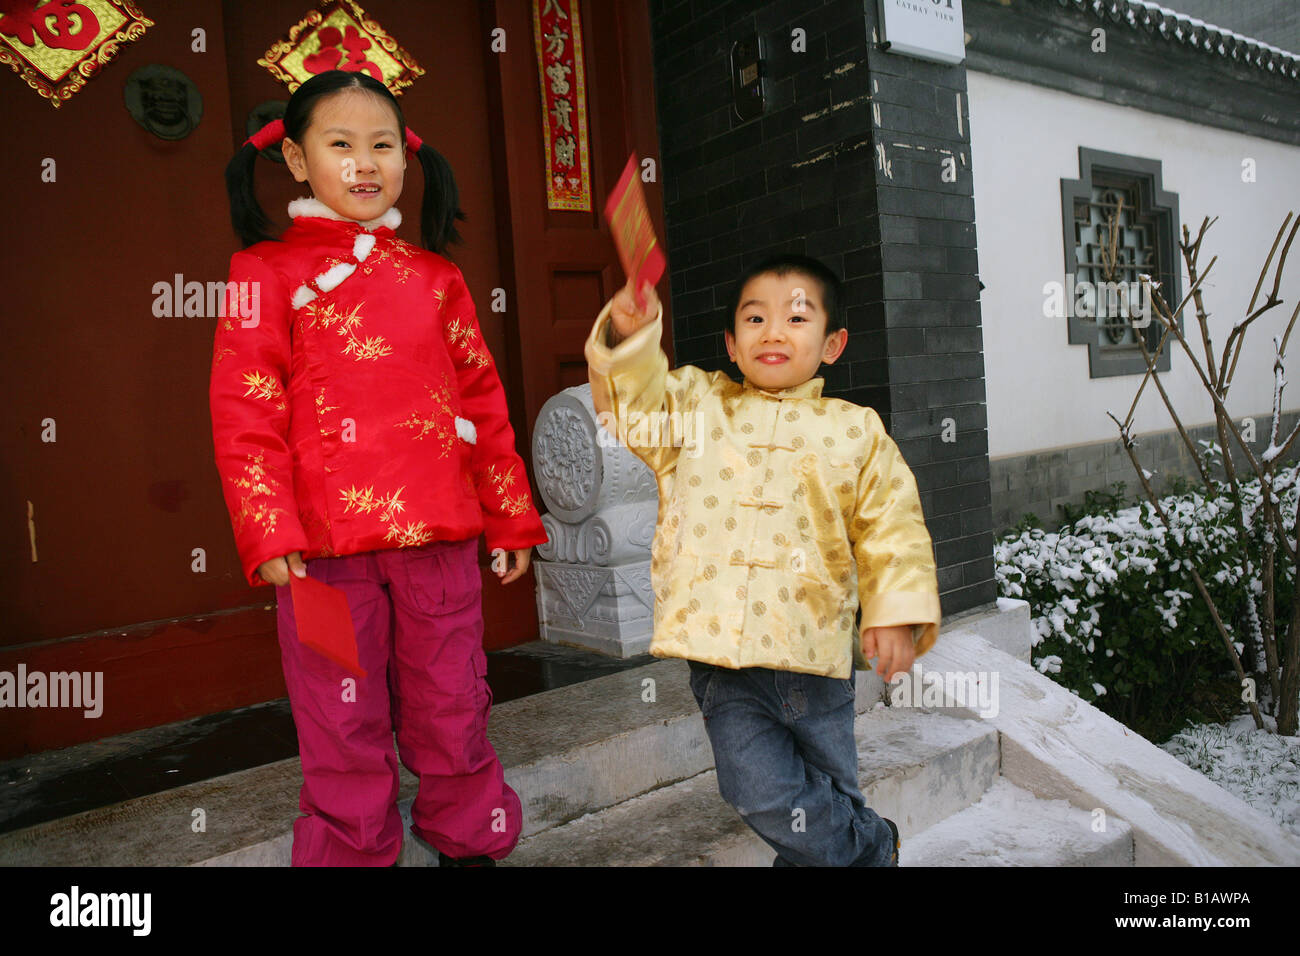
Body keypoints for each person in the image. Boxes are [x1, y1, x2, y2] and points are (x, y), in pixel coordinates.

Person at [211, 70, 548, 867]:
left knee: (452, 700)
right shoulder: (264, 273)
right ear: (295, 160)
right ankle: (352, 848)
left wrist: (510, 516)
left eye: (382, 146)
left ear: (407, 158)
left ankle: (468, 832)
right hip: (325, 559)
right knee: (338, 711)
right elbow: (244, 408)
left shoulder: (438, 279)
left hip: (438, 543)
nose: (365, 163)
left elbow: (482, 403)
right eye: (341, 145)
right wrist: (268, 528)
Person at [585, 254, 942, 866]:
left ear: (833, 343)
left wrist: (894, 613)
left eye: (797, 318)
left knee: (828, 792)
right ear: (731, 341)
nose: (773, 331)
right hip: (725, 661)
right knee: (757, 789)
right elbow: (632, 404)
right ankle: (873, 850)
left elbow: (894, 527)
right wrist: (629, 336)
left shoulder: (856, 431)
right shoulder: (696, 407)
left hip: (814, 659)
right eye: (755, 318)